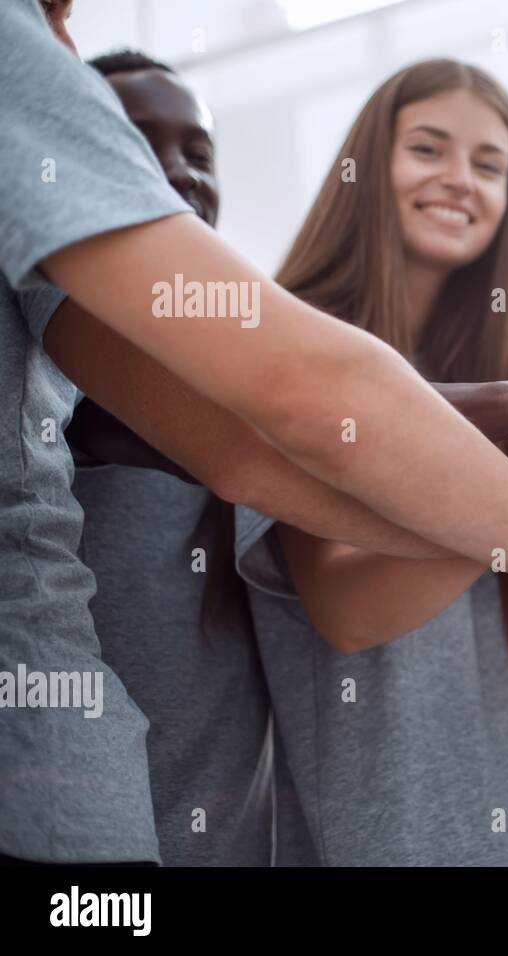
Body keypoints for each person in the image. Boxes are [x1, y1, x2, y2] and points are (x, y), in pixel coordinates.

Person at [0, 0, 508, 864]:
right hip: (374, 824)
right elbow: (330, 570)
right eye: (427, 147)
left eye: (491, 162)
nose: (460, 179)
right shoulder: (272, 354)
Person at [64, 48, 274, 866]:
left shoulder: (225, 348)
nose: (180, 170)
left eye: (199, 152)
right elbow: (293, 435)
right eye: (140, 139)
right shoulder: (63, 366)